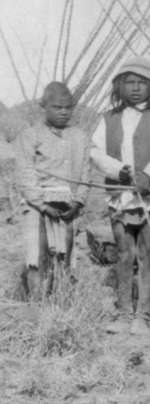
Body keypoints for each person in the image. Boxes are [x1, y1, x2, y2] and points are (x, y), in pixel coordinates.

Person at [91, 57, 150, 335]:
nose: (135, 88)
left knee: (146, 253)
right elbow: (95, 152)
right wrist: (118, 170)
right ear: (120, 86)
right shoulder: (109, 118)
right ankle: (123, 311)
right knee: (123, 253)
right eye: (129, 82)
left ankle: (142, 313)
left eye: (141, 82)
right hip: (120, 196)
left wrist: (149, 175)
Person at [15, 82, 91, 301]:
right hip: (36, 204)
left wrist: (78, 201)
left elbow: (85, 173)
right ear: (44, 106)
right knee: (38, 255)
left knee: (64, 256)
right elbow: (25, 173)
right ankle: (37, 307)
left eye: (68, 107)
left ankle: (60, 305)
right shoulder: (31, 135)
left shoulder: (80, 136)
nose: (64, 112)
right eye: (57, 107)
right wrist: (42, 205)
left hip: (68, 204)